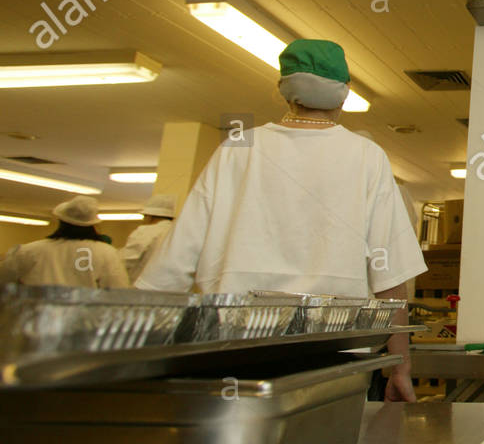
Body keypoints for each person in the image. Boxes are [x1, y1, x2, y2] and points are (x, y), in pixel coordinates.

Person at [136, 39, 427, 401]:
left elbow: (175, 262)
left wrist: (135, 349)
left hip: (239, 350)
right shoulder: (366, 156)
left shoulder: (237, 148)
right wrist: (399, 364)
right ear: (344, 97)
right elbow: (390, 276)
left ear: (284, 92)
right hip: (333, 354)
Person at [0, 195, 130, 288]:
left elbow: (4, 279)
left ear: (61, 221)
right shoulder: (106, 253)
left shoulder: (29, 250)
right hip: (82, 321)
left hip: (37, 320)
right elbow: (117, 290)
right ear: (93, 225)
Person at [119, 194, 176, 283]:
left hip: (141, 289)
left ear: (149, 216)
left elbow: (124, 261)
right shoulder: (177, 231)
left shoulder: (145, 231)